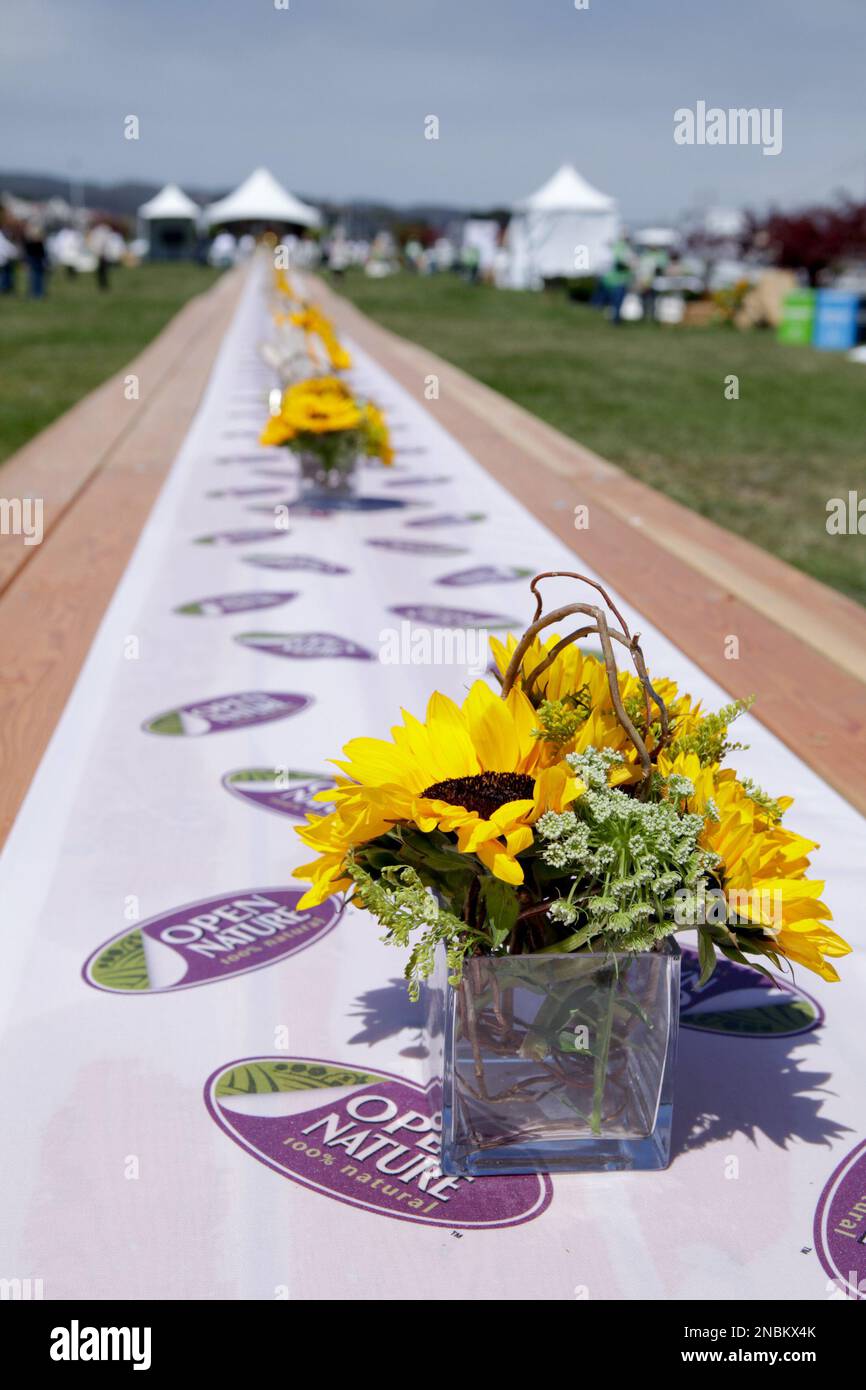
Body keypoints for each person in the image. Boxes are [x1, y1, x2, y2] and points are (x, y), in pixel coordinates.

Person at [23, 221, 48, 298]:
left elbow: (43, 253)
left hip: (38, 262)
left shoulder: (38, 243)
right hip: (33, 261)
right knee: (33, 278)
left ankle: (38, 293)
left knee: (37, 278)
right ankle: (34, 293)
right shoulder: (30, 243)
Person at [0, 224, 19, 294]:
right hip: (3, 259)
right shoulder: (2, 236)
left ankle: (5, 288)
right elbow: (6, 247)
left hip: (4, 259)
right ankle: (4, 288)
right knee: (5, 275)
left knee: (5, 275)